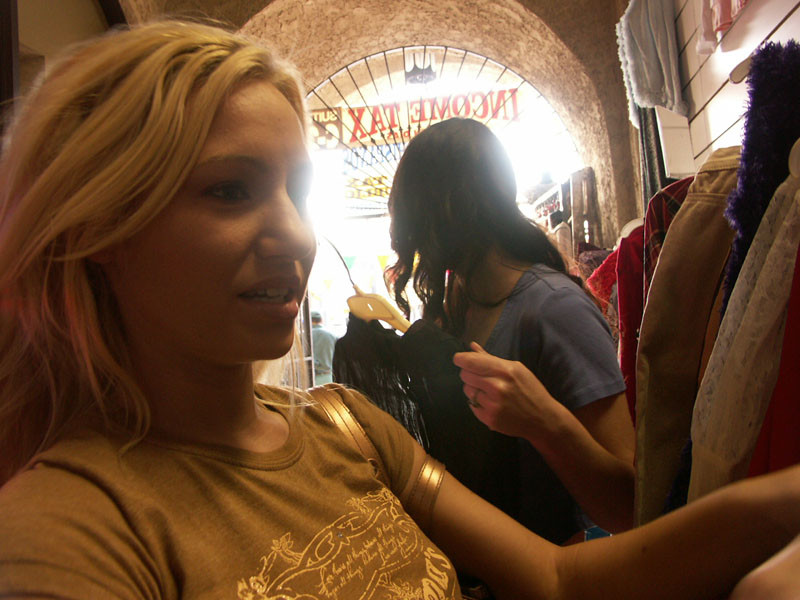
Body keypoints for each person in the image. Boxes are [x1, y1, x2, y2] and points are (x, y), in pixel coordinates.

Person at [0, 19, 799, 599]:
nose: (293, 233)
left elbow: (561, 574)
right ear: (99, 229)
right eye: (230, 190)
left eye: (296, 191)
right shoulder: (70, 528)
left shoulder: (342, 426)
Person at [387, 117, 635, 539]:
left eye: (414, 220)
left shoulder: (555, 310)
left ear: (450, 211)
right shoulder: (456, 301)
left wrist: (543, 422)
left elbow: (630, 508)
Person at [310, 310, 337, 384]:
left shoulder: (305, 336)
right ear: (321, 320)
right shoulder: (332, 335)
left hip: (311, 377)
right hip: (329, 376)